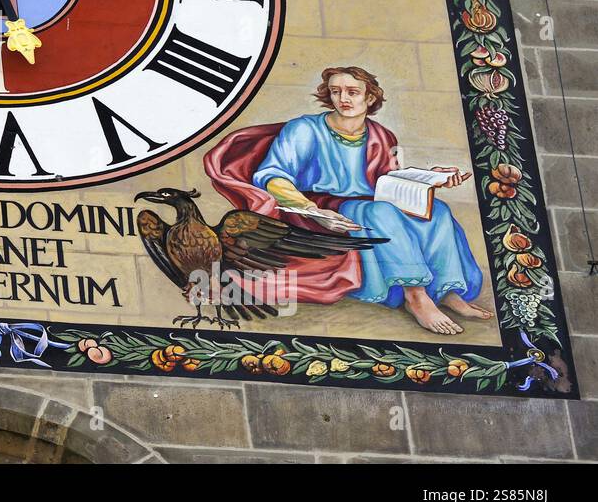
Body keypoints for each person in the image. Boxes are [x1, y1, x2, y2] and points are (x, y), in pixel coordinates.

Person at [204, 66, 490, 335]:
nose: (343, 98)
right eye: (336, 91)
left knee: (436, 211)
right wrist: (309, 208)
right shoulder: (304, 129)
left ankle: (448, 292)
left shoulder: (381, 134)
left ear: (370, 97)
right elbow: (273, 176)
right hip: (316, 206)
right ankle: (415, 295)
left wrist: (430, 178)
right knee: (380, 214)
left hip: (370, 202)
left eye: (352, 92)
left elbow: (389, 182)